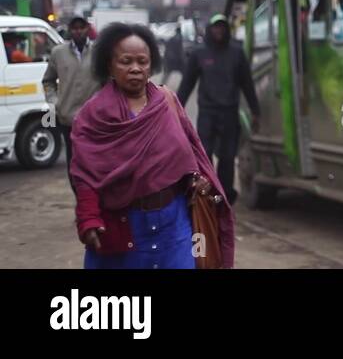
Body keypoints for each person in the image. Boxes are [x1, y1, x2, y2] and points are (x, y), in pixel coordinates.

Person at [70, 23, 234, 269]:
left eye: (142, 61)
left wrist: (197, 179)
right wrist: (88, 217)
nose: (135, 68)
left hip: (174, 225)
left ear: (151, 64)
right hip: (125, 226)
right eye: (126, 61)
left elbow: (189, 157)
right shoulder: (93, 114)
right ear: (110, 65)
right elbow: (86, 175)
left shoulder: (167, 102)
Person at [177, 14, 260, 204]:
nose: (219, 31)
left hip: (229, 112)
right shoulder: (200, 53)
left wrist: (255, 111)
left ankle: (225, 195)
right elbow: (187, 84)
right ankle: (205, 192)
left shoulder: (237, 54)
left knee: (228, 156)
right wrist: (175, 109)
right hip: (208, 112)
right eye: (215, 27)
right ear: (210, 29)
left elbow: (247, 84)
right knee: (204, 153)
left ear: (227, 30)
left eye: (222, 27)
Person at [42, 15, 101, 182]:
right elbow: (48, 81)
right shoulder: (58, 53)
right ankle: (81, 199)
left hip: (94, 120)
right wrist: (54, 102)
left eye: (81, 27)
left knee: (95, 162)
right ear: (70, 30)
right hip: (68, 119)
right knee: (74, 165)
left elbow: (108, 82)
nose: (78, 31)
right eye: (74, 28)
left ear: (87, 29)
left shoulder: (99, 52)